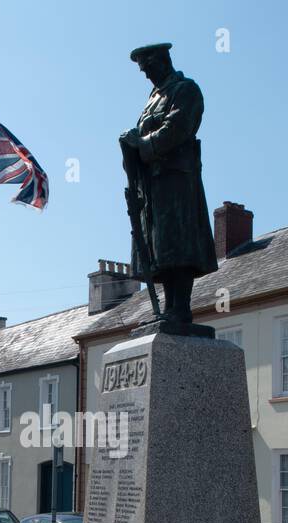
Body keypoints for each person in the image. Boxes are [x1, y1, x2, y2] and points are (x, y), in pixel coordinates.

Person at [119, 43, 218, 326]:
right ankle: (168, 307)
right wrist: (130, 142)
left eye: (149, 68)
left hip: (176, 179)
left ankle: (180, 308)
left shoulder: (185, 90)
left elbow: (178, 128)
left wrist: (142, 143)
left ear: (163, 61)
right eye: (143, 71)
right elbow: (140, 137)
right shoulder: (153, 98)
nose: (146, 74)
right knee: (159, 248)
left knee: (178, 243)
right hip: (152, 186)